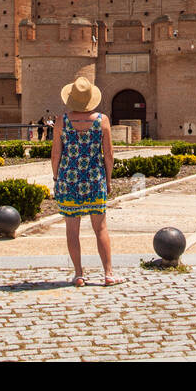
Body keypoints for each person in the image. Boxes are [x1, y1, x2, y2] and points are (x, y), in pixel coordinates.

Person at [52, 76, 122, 287]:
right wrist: (108, 180)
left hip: (68, 180)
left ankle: (79, 274)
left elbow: (56, 154)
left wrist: (57, 177)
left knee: (72, 230)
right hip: (94, 180)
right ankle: (108, 274)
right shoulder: (102, 120)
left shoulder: (61, 121)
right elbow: (108, 154)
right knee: (100, 228)